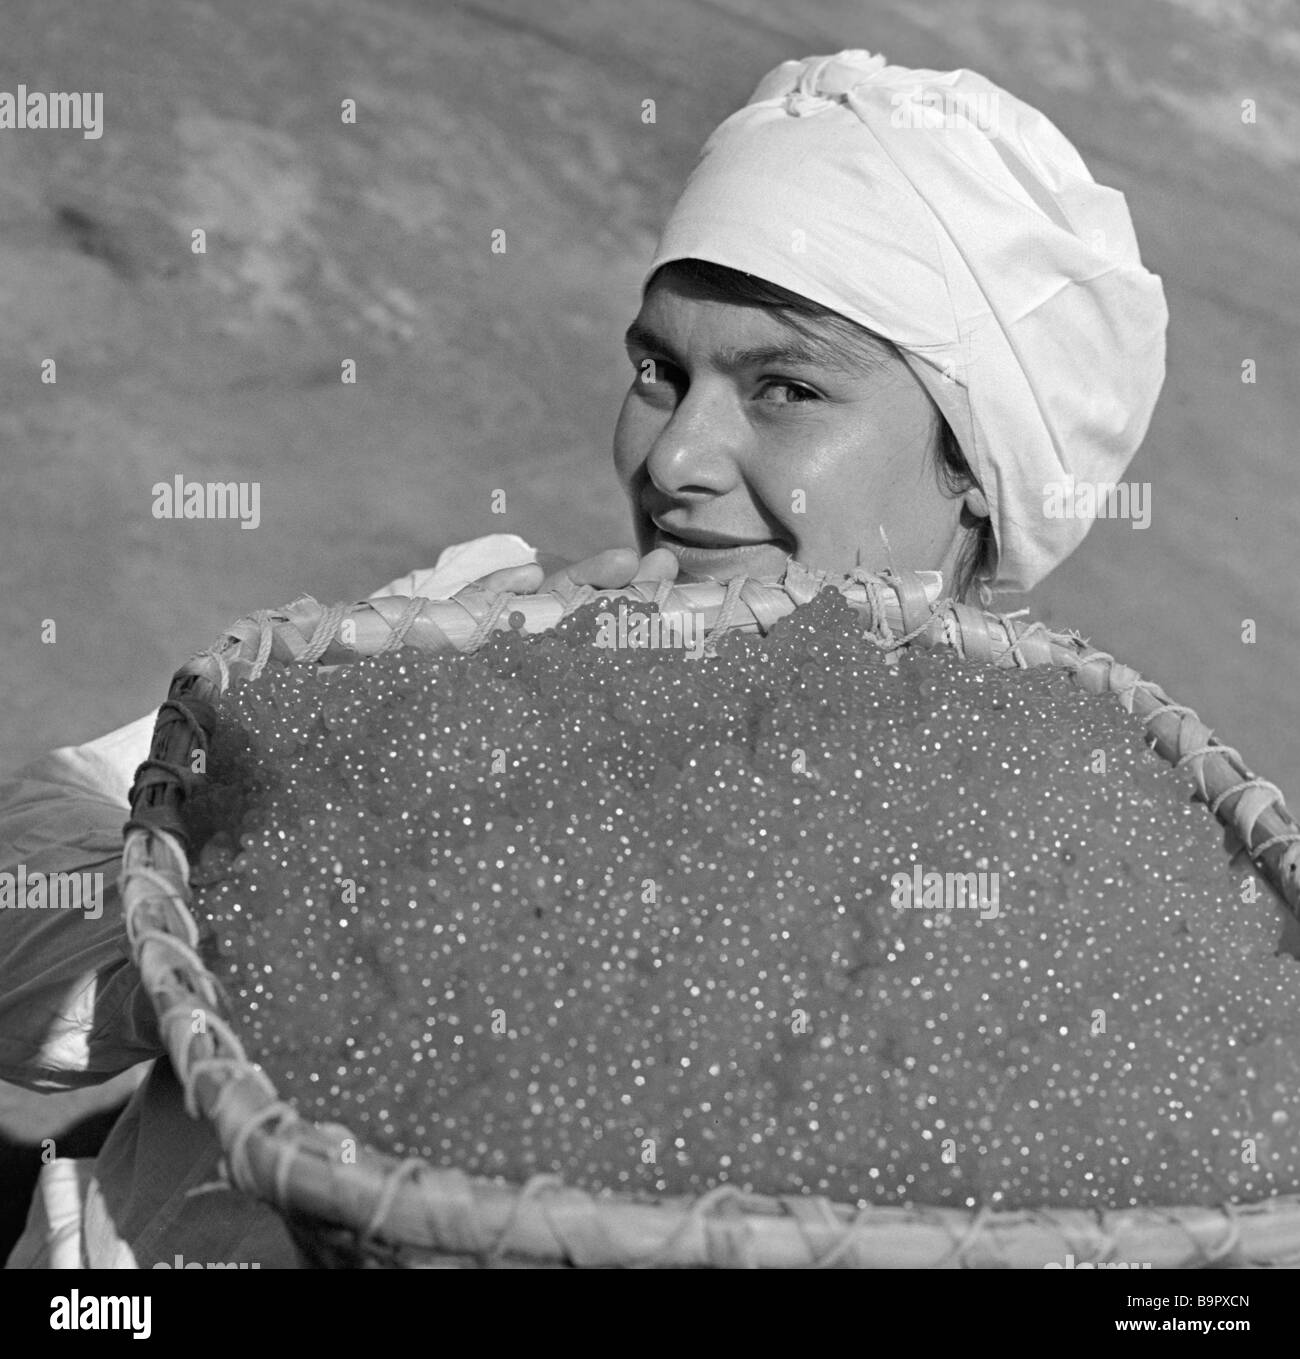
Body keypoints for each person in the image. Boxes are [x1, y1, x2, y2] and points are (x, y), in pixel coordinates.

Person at [0, 48, 1166, 1267]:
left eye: (783, 389)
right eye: (661, 373)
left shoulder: (1052, 861)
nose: (672, 461)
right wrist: (311, 824)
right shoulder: (457, 630)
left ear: (979, 476)